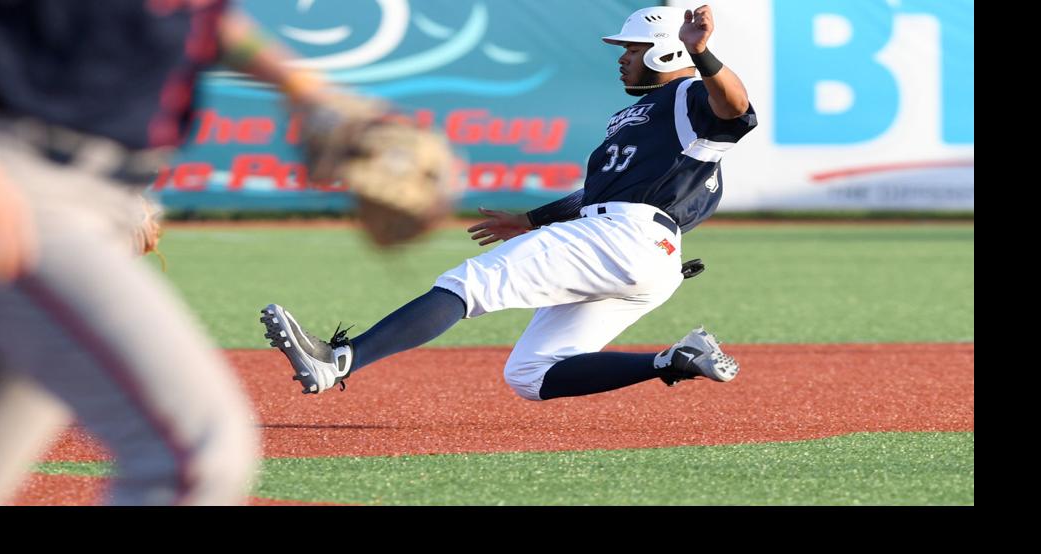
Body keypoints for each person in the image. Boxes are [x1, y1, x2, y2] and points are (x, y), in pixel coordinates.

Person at [0, 0, 352, 504]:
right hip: (14, 184)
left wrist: (308, 91)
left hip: (86, 188)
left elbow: (199, 16)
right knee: (195, 458)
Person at [262, 5, 755, 402]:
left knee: (467, 284)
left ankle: (341, 360)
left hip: (621, 238)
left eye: (635, 48)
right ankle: (671, 360)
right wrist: (532, 219)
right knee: (531, 375)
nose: (623, 57)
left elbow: (736, 111)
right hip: (646, 256)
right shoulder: (644, 116)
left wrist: (703, 54)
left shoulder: (690, 94)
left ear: (667, 53)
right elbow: (603, 195)